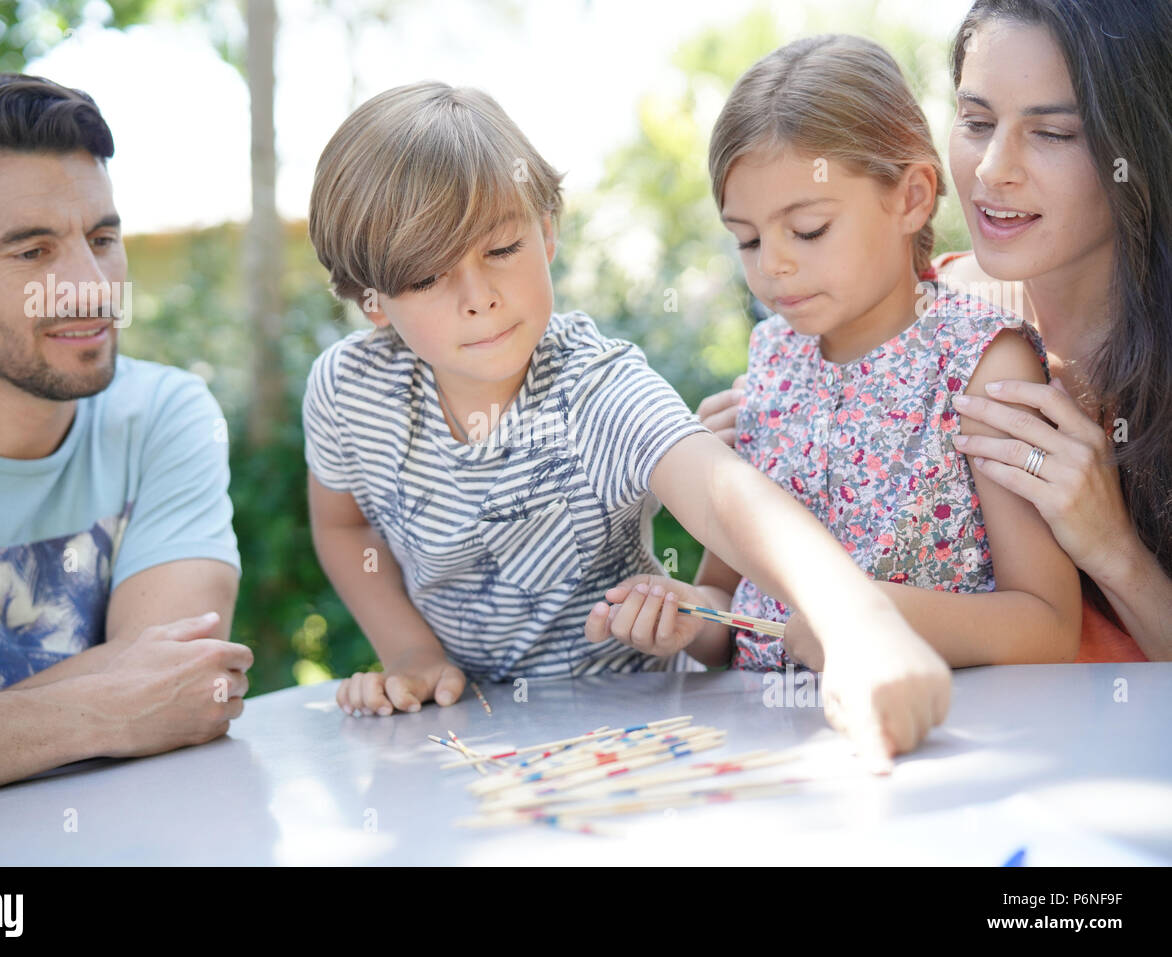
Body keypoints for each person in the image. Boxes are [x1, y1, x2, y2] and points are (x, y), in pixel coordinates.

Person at [304, 81, 949, 770]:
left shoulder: (597, 389)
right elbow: (345, 525)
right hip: (464, 747)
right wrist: (410, 650)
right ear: (372, 300)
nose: (479, 297)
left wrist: (856, 620)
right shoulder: (350, 393)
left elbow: (726, 495)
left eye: (500, 249)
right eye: (428, 278)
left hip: (632, 736)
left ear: (546, 230)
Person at [587, 35, 1081, 671]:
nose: (773, 265)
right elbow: (730, 603)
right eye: (746, 239)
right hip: (774, 747)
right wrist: (688, 614)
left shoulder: (979, 363)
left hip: (934, 742)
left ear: (911, 198)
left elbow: (1048, 629)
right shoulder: (771, 361)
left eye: (808, 229)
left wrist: (861, 615)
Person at [0, 74, 252, 815]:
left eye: (103, 239)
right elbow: (134, 706)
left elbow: (177, 694)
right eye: (32, 251)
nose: (91, 285)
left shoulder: (164, 413)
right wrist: (98, 709)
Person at [937, 0, 1170, 660]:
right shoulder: (918, 316)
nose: (991, 170)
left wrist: (1111, 548)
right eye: (977, 122)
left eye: (1054, 134)